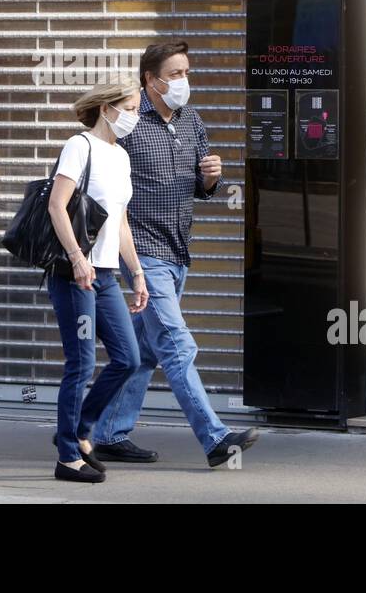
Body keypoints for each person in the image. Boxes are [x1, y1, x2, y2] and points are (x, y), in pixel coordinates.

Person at [92, 41, 260, 467]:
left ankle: (108, 432)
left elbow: (204, 189)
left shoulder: (191, 120)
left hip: (177, 249)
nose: (184, 81)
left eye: (187, 72)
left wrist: (212, 179)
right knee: (176, 345)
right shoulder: (130, 124)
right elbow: (107, 183)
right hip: (143, 253)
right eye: (176, 73)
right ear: (151, 79)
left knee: (145, 350)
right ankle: (216, 439)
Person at [45, 79, 150, 483]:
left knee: (128, 357)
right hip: (76, 275)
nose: (135, 116)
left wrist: (136, 273)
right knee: (82, 363)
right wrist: (77, 258)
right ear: (107, 109)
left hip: (105, 275)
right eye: (131, 107)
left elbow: (120, 221)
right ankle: (67, 458)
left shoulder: (120, 156)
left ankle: (76, 431)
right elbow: (57, 205)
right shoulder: (80, 145)